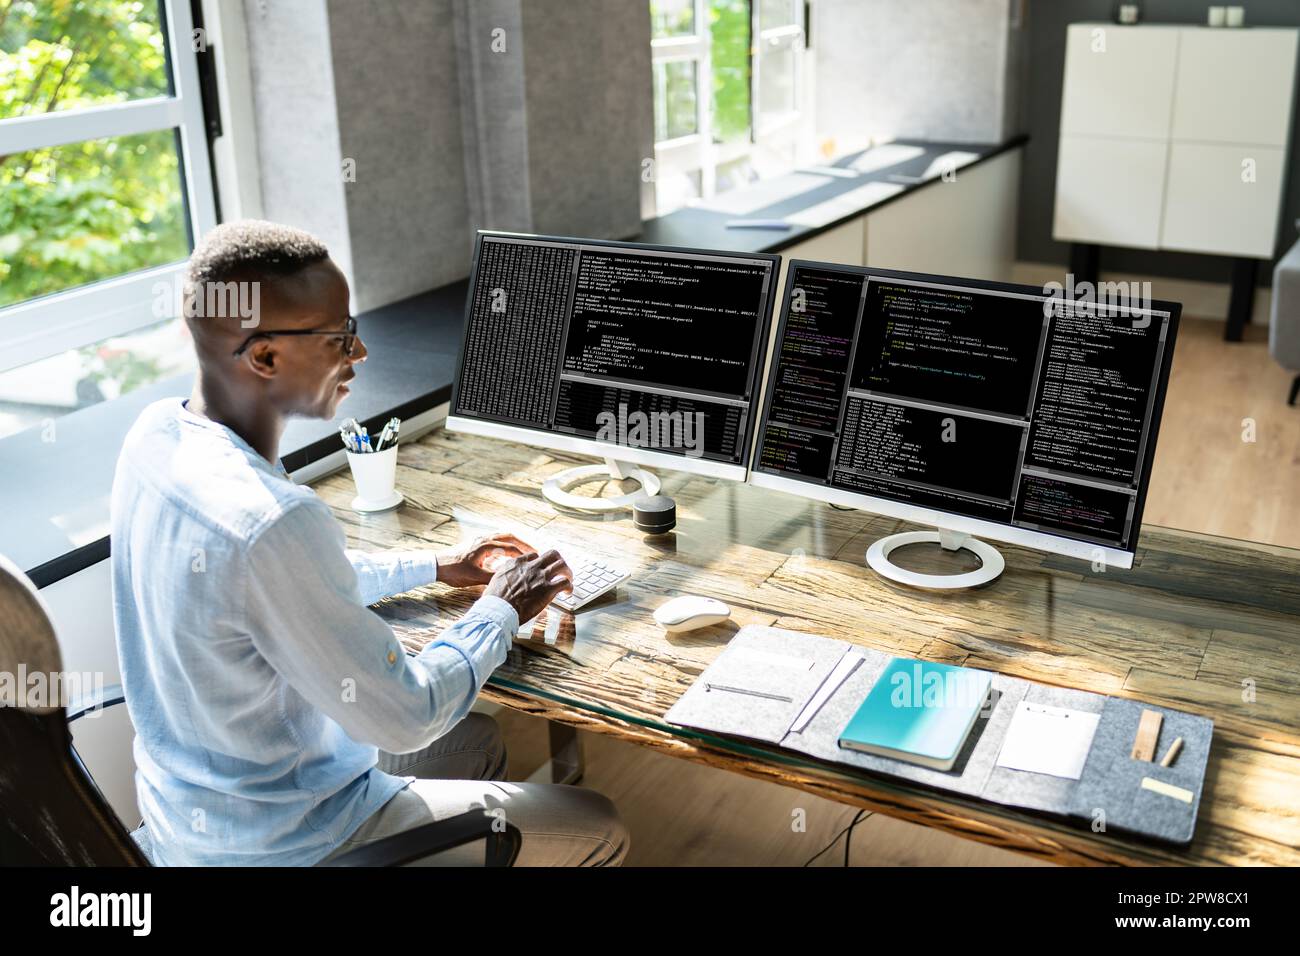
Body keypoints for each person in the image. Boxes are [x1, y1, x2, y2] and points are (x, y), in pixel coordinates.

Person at [110, 219, 628, 866]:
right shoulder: (275, 522)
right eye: (340, 337)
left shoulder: (155, 436)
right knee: (601, 825)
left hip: (190, 825)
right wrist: (501, 607)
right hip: (292, 846)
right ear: (265, 356)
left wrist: (438, 564)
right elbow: (405, 716)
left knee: (474, 743)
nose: (360, 354)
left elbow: (284, 582)